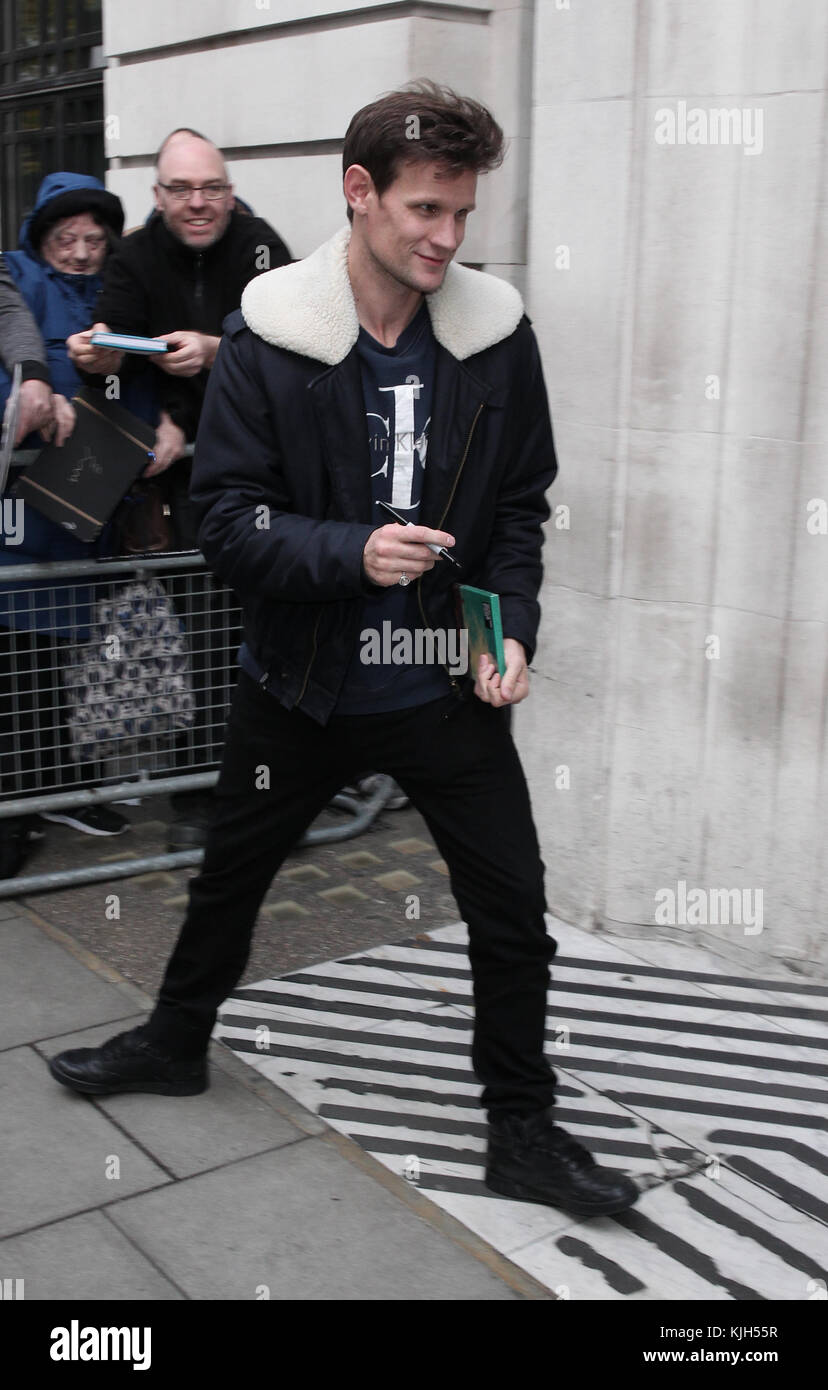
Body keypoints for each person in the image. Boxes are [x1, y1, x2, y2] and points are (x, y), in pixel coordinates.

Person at [49, 84, 638, 1218]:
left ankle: (522, 1126)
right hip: (300, 682)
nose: (447, 237)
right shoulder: (275, 336)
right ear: (359, 194)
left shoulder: (496, 334)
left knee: (513, 907)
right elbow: (226, 516)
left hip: (443, 686)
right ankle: (177, 1041)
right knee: (229, 879)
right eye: (425, 208)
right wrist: (349, 552)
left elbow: (520, 508)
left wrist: (506, 632)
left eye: (462, 213)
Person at [66, 129, 293, 847]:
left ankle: (262, 789)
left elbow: (300, 342)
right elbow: (113, 364)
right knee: (203, 632)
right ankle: (201, 799)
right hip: (179, 486)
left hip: (262, 474)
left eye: (212, 188)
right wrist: (105, 359)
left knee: (259, 632)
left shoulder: (261, 244)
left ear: (229, 190)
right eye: (182, 190)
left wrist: (217, 351)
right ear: (158, 196)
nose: (199, 203)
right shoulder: (133, 255)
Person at [0, 174, 130, 877]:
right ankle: (14, 814)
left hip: (85, 509)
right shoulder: (16, 281)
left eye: (92, 239)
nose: (80, 252)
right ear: (40, 240)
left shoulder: (116, 291)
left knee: (65, 667)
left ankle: (63, 787)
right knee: (19, 669)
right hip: (23, 520)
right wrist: (33, 394)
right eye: (65, 239)